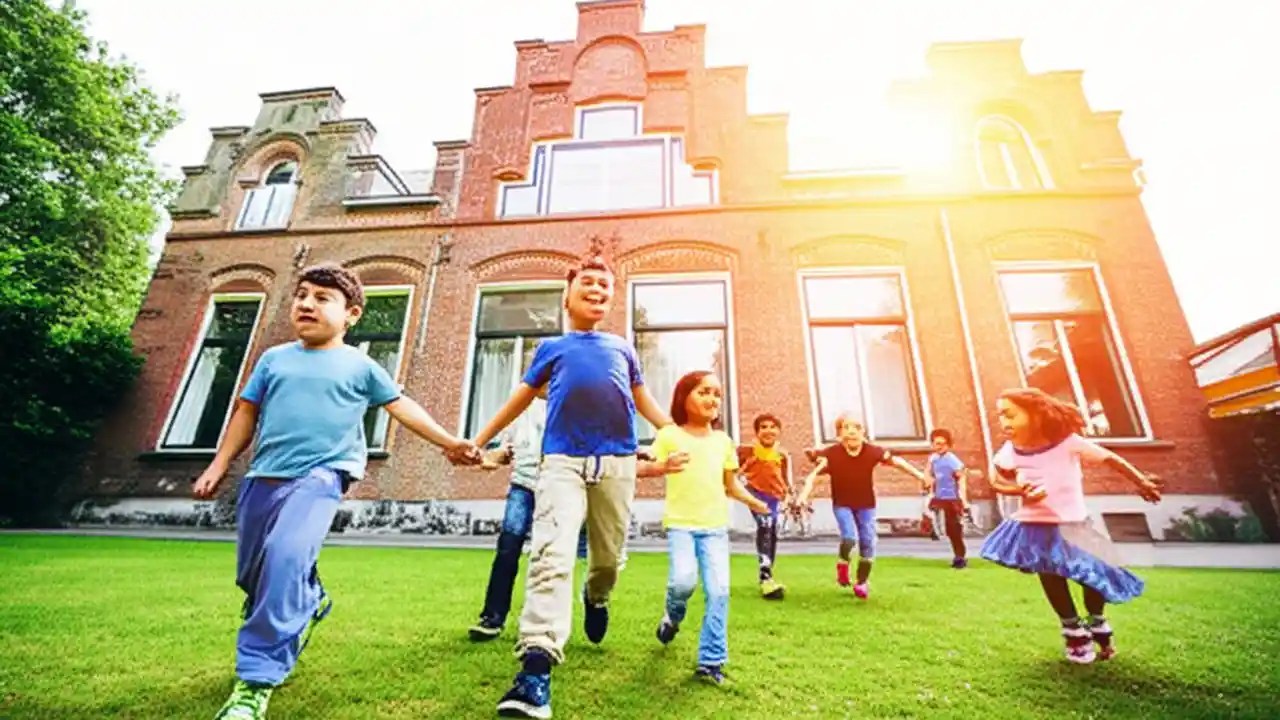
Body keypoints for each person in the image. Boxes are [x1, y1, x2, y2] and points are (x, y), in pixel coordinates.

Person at [192, 263, 478, 720]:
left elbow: (402, 407)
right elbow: (245, 414)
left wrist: (451, 443)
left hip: (324, 476)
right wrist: (218, 465)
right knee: (255, 578)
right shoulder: (274, 359)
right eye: (301, 295)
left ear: (352, 315)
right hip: (264, 477)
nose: (306, 303)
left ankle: (255, 682)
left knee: (285, 558)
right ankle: (308, 596)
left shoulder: (361, 366)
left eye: (322, 298)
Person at [463, 255, 673, 720]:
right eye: (589, 282)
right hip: (560, 464)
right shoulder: (551, 349)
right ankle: (535, 668)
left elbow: (647, 404)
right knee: (551, 556)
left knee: (607, 561)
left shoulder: (622, 347)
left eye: (605, 285)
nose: (598, 289)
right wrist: (476, 442)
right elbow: (517, 400)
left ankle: (596, 597)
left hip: (618, 463)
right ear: (569, 292)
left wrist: (680, 434)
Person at [980, 388, 1162, 664]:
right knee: (1051, 576)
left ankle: (1097, 619)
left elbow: (1111, 458)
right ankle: (1073, 631)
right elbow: (995, 480)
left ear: (1035, 414)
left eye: (1010, 415)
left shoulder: (1068, 442)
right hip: (1036, 525)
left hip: (1074, 524)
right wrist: (1019, 490)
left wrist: (1141, 482)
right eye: (1000, 416)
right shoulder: (1010, 450)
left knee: (1095, 573)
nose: (1004, 423)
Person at [652, 371, 770, 684]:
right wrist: (660, 466)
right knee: (682, 582)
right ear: (684, 396)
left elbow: (730, 485)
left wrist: (755, 503)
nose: (712, 399)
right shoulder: (669, 436)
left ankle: (711, 660)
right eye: (704, 391)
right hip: (680, 526)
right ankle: (672, 617)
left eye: (717, 394)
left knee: (719, 591)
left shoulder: (723, 441)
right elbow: (643, 466)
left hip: (715, 527)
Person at [797, 415, 929, 600]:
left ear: (863, 433)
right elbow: (813, 476)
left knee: (868, 540)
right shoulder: (832, 454)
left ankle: (862, 581)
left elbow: (897, 462)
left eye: (856, 428)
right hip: (842, 504)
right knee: (850, 538)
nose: (851, 432)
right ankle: (843, 562)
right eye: (846, 428)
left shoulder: (872, 451)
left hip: (866, 505)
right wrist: (803, 495)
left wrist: (920, 476)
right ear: (839, 435)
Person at [737, 413, 792, 599]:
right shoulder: (747, 450)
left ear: (779, 431)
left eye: (772, 427)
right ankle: (765, 575)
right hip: (754, 493)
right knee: (765, 523)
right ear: (757, 432)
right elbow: (731, 465)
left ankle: (767, 573)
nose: (768, 430)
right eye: (763, 427)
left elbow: (785, 478)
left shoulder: (782, 454)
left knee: (771, 531)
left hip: (774, 497)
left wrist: (790, 496)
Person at [926, 428, 970, 569]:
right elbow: (928, 475)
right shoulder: (933, 459)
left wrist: (964, 500)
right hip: (939, 497)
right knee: (931, 519)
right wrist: (928, 486)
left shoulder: (952, 460)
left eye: (942, 444)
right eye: (936, 443)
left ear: (948, 445)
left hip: (952, 498)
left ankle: (960, 557)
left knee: (954, 529)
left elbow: (961, 480)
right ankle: (934, 532)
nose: (939, 447)